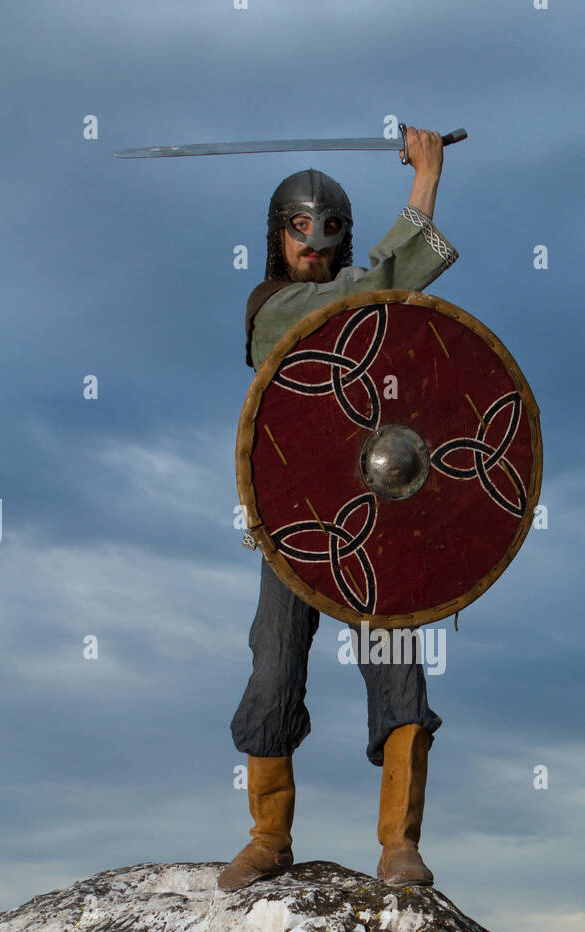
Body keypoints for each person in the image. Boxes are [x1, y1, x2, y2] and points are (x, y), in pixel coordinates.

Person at [218, 128, 458, 893]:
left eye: (326, 228)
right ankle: (268, 835)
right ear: (276, 237)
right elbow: (370, 293)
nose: (312, 242)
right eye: (298, 227)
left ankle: (398, 845)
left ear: (341, 234)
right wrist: (426, 180)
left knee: (399, 672)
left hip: (378, 518)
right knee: (274, 667)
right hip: (297, 521)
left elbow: (403, 324)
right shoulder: (270, 309)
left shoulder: (370, 305)